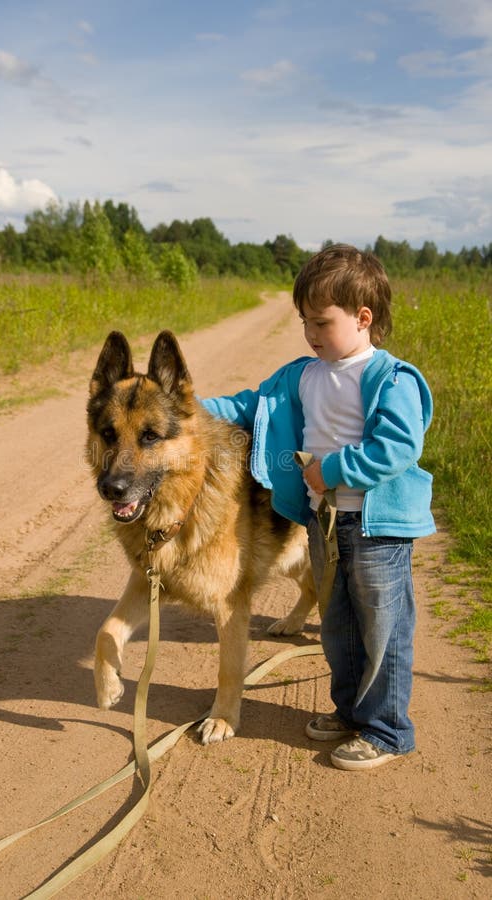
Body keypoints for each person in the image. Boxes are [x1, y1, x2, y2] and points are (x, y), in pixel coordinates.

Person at [203, 243, 435, 771]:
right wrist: (185, 408)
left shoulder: (389, 379)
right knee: (338, 624)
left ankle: (387, 729)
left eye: (321, 322)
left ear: (363, 318)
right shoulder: (302, 375)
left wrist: (330, 471)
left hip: (378, 527)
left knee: (383, 626)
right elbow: (247, 405)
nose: (310, 332)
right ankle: (352, 711)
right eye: (304, 321)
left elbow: (397, 447)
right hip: (325, 526)